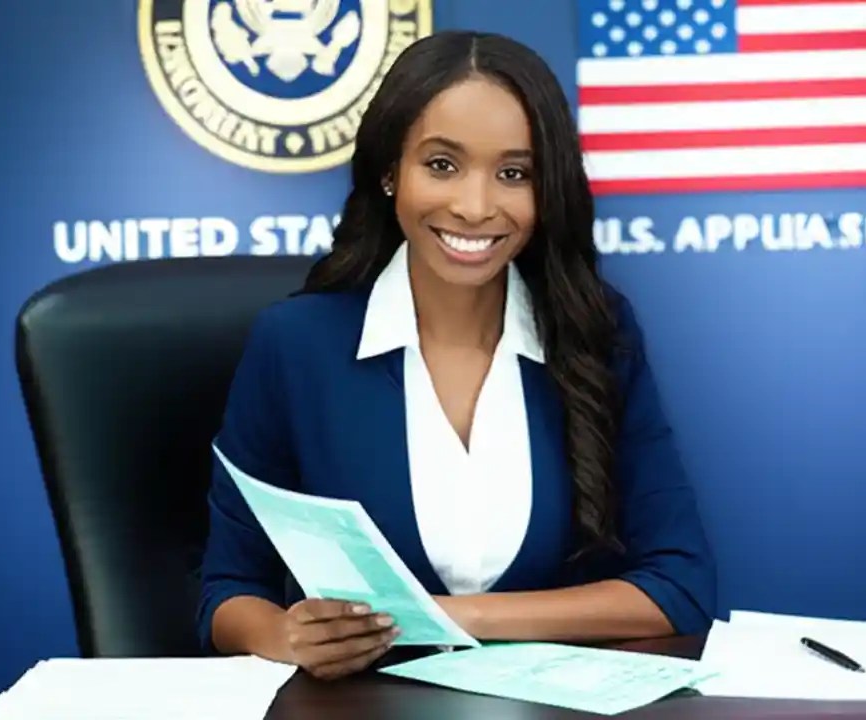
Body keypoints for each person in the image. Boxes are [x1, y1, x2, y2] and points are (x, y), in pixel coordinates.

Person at [197, 30, 716, 681]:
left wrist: (451, 618)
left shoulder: (597, 334)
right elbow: (226, 591)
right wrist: (285, 634)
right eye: (442, 165)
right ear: (391, 171)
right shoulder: (295, 345)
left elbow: (679, 586)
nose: (474, 207)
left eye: (513, 173)